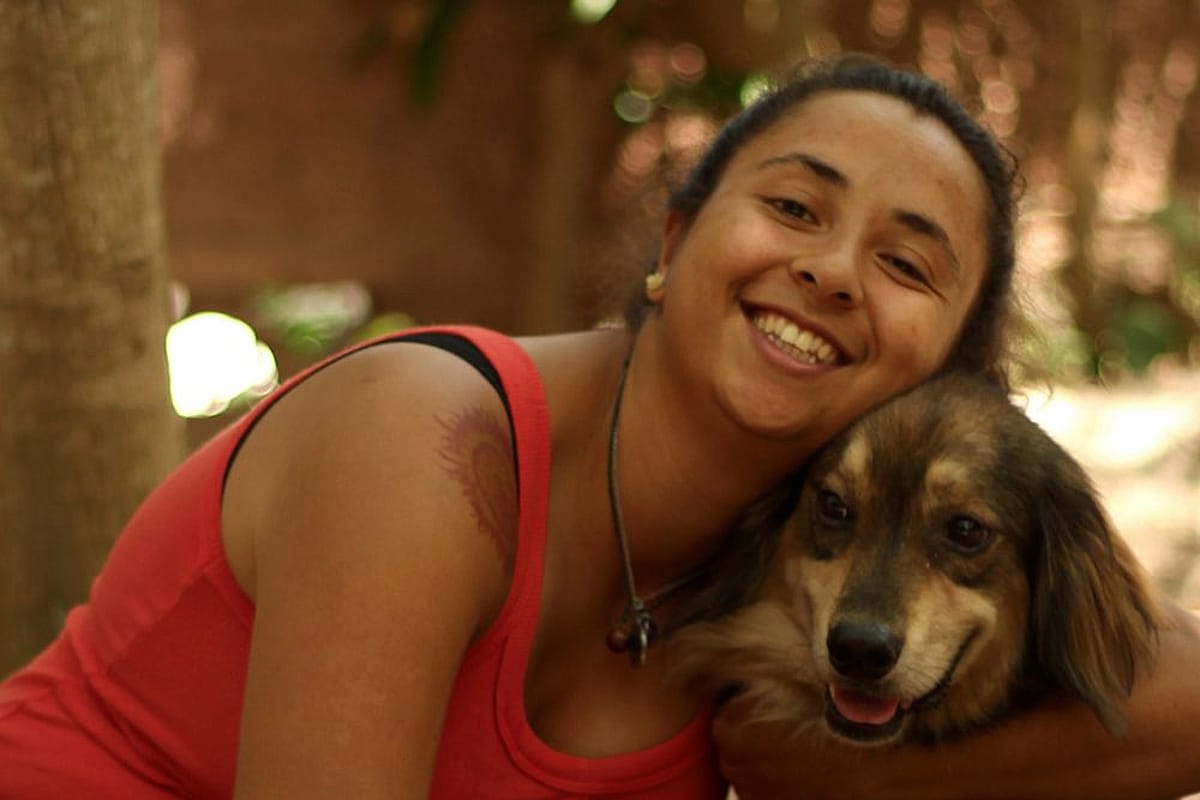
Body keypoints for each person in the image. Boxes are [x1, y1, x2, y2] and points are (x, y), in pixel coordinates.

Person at [0, 52, 1196, 799]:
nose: (832, 271)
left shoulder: (789, 576)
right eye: (793, 205)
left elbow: (1167, 676)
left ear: (952, 374)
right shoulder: (424, 442)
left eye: (902, 262)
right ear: (676, 243)